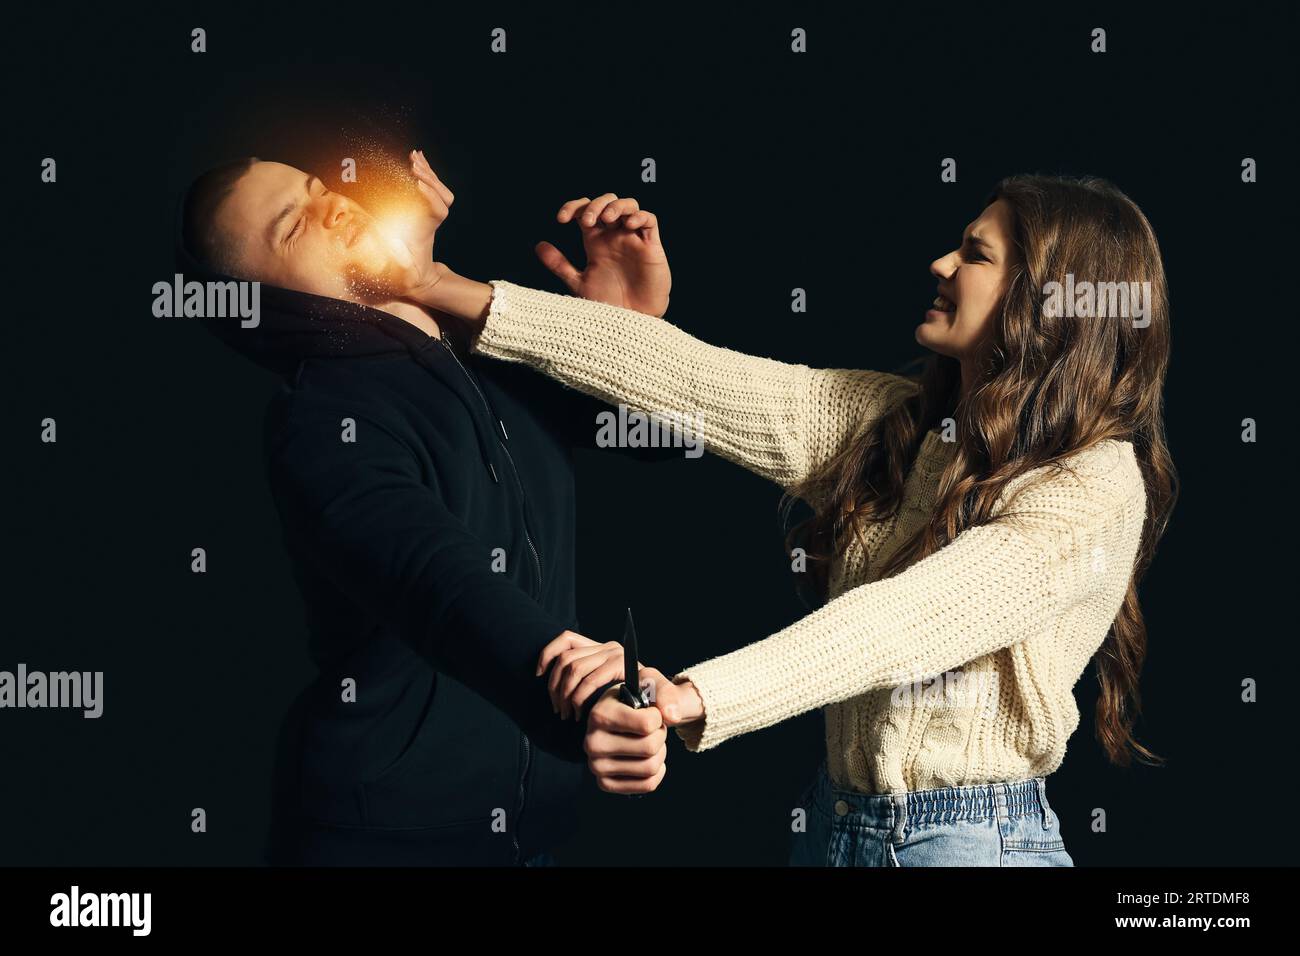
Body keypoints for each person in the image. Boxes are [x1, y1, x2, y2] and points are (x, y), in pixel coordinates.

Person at [395, 153, 1177, 866]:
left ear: (1049, 303)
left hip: (972, 847)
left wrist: (697, 697)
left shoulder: (1095, 487)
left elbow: (903, 623)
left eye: (975, 254)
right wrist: (432, 284)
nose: (940, 263)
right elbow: (696, 381)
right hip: (836, 829)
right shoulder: (897, 423)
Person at [176, 154, 670, 865]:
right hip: (387, 844)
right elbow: (436, 583)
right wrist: (577, 688)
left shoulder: (487, 342)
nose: (335, 206)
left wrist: (625, 332)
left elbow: (673, 439)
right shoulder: (320, 422)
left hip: (539, 835)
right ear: (267, 304)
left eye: (318, 188)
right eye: (293, 226)